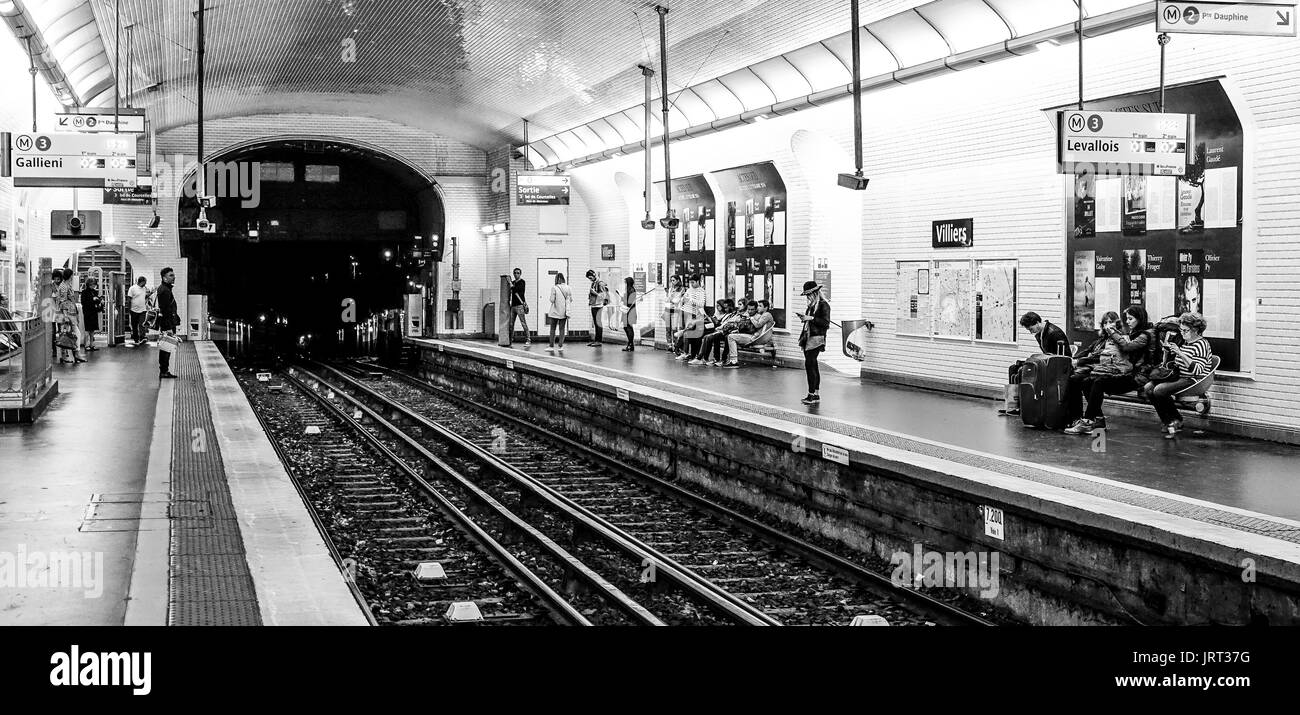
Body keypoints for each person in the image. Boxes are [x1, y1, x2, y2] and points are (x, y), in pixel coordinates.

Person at [1064, 306, 1158, 435]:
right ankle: (1098, 420)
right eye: (1127, 319)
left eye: (1131, 319)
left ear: (1139, 319)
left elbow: (1127, 348)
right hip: (1130, 373)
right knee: (1087, 382)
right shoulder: (1133, 333)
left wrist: (1113, 333)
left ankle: (1088, 420)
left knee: (1098, 382)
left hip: (1139, 376)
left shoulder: (1146, 335)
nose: (1128, 322)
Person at [1144, 312, 1213, 437]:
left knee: (1159, 390)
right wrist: (1167, 353)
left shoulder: (1202, 344)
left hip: (1193, 379)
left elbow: (1197, 370)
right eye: (1181, 330)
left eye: (1185, 330)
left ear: (1196, 330)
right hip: (1179, 376)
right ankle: (1167, 420)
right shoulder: (1185, 343)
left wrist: (1180, 353)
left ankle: (1176, 419)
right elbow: (1174, 364)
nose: (1182, 333)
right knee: (1148, 388)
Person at [1000, 311, 1070, 415]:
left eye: (1031, 329)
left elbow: (1064, 356)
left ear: (1037, 323)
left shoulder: (1054, 333)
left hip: (1055, 365)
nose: (1031, 332)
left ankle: (1023, 406)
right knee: (1013, 368)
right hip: (1046, 362)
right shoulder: (1040, 333)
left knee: (1021, 371)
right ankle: (1013, 405)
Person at [1061, 311, 1120, 426]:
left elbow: (1099, 355)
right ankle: (1080, 417)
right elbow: (1088, 350)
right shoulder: (1100, 339)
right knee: (1075, 379)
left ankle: (1084, 417)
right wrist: (1072, 359)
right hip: (1094, 368)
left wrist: (1079, 361)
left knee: (1078, 380)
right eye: (1105, 323)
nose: (1108, 325)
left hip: (1103, 369)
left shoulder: (1115, 340)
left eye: (1111, 322)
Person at [796, 281, 831, 404]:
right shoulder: (812, 306)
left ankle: (812, 394)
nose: (807, 297)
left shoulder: (823, 305)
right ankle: (815, 394)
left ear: (815, 293)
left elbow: (826, 323)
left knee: (810, 365)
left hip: (816, 338)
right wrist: (805, 319)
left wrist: (810, 318)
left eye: (808, 294)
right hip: (808, 337)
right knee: (812, 365)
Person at [721, 300, 774, 368]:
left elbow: (758, 325)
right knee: (730, 336)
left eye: (760, 306)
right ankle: (731, 360)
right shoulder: (762, 315)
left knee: (730, 337)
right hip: (755, 336)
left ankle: (734, 361)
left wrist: (751, 318)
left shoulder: (766, 315)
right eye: (758, 306)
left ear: (766, 307)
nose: (758, 308)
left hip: (756, 338)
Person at [691, 299, 740, 365]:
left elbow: (727, 323)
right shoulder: (727, 314)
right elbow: (722, 322)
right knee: (706, 336)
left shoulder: (734, 314)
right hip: (720, 330)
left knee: (710, 337)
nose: (725, 309)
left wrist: (719, 326)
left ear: (730, 307)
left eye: (726, 308)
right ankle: (704, 358)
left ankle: (713, 359)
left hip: (726, 331)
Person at [156, 267, 179, 378]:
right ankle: (164, 371)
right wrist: (169, 327)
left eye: (173, 275)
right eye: (171, 275)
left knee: (166, 347)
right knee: (166, 347)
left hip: (167, 323)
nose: (174, 277)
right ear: (164, 278)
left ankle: (164, 370)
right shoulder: (164, 290)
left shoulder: (165, 289)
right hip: (167, 324)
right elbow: (165, 310)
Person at [546, 272, 572, 352]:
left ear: (557, 279)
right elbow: (570, 300)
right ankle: (560, 346)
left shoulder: (554, 287)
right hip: (563, 312)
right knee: (562, 329)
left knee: (553, 328)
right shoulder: (568, 288)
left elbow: (552, 300)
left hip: (555, 311)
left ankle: (551, 346)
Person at [585, 269, 609, 347]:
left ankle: (599, 341)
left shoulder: (600, 283)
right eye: (589, 278)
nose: (590, 279)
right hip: (594, 305)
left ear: (594, 275)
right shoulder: (594, 283)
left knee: (598, 323)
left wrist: (593, 292)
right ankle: (596, 340)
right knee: (595, 323)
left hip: (598, 305)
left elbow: (603, 295)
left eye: (590, 277)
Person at [508, 268, 530, 345]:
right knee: (511, 324)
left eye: (518, 273)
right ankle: (510, 339)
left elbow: (518, 290)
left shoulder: (522, 282)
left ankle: (528, 339)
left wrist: (511, 285)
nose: (516, 274)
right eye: (515, 273)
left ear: (520, 274)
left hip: (520, 306)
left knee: (523, 322)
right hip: (513, 306)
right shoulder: (513, 282)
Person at [80, 276, 102, 352]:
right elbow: (83, 302)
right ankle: (86, 345)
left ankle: (92, 344)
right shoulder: (84, 292)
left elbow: (98, 300)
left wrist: (98, 300)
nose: (93, 286)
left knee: (92, 330)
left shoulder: (95, 292)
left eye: (94, 284)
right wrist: (93, 300)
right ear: (89, 284)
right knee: (87, 329)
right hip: (87, 312)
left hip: (93, 312)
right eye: (92, 284)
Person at [127, 276, 151, 345]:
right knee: (134, 325)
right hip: (134, 310)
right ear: (141, 282)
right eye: (145, 282)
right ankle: (136, 339)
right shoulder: (132, 288)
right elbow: (129, 299)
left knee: (142, 324)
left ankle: (142, 337)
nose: (145, 284)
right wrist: (129, 309)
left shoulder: (144, 288)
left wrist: (151, 293)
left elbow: (144, 297)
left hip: (142, 310)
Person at [620, 276, 638, 351]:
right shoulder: (630, 290)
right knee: (626, 327)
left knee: (628, 327)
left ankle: (630, 344)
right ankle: (630, 343)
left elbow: (629, 302)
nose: (624, 284)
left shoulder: (631, 290)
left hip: (629, 310)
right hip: (628, 310)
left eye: (625, 282)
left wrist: (623, 298)